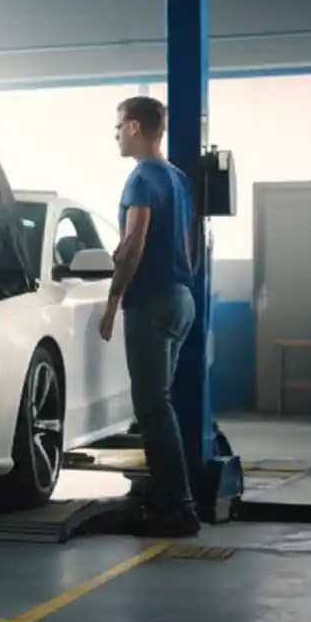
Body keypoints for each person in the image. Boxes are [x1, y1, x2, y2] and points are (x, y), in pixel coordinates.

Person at [97, 95, 201, 537]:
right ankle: (167, 496)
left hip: (152, 302)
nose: (116, 135)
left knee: (152, 407)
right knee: (161, 404)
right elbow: (192, 246)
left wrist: (113, 300)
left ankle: (177, 508)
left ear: (135, 128)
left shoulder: (141, 178)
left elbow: (132, 244)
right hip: (181, 298)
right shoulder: (178, 179)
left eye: (118, 126)